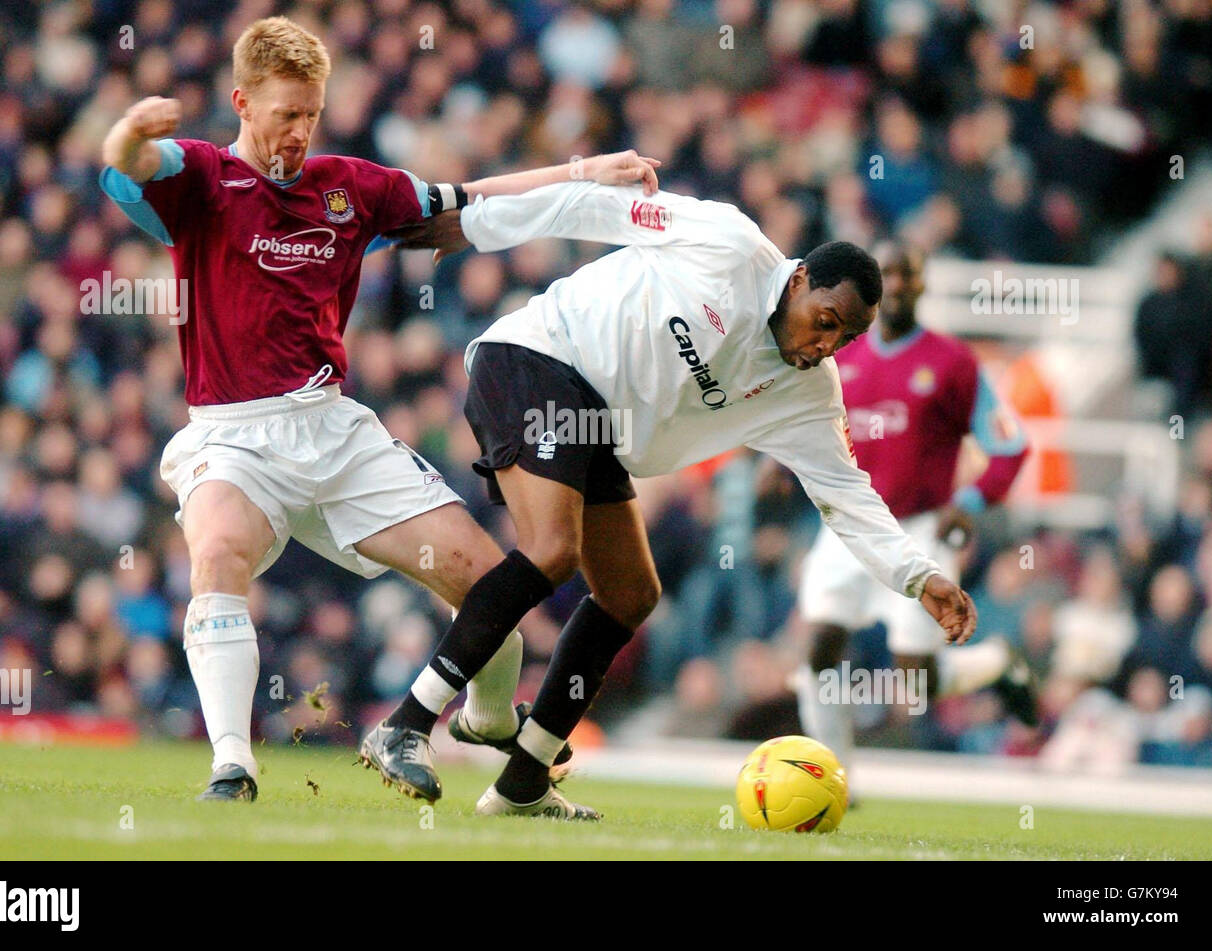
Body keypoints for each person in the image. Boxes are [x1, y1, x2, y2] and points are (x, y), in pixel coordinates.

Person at [98, 16, 662, 802]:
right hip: (233, 438)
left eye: (312, 114)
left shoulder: (352, 188)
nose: (299, 131)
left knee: (488, 581)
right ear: (242, 102)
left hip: (333, 432)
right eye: (285, 112)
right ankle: (233, 763)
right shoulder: (199, 178)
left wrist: (584, 171)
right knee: (219, 550)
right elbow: (128, 164)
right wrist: (127, 130)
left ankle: (488, 719)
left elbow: (475, 200)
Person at [363, 181, 977, 819]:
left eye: (844, 339)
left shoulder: (807, 395)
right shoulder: (728, 243)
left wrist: (918, 576)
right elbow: (592, 203)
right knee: (552, 551)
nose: (826, 345)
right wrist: (480, 226)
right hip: (539, 355)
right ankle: (406, 723)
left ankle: (522, 784)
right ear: (796, 281)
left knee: (631, 593)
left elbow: (848, 496)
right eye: (826, 321)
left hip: (598, 429)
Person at [790, 240, 1034, 777]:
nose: (898, 284)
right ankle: (832, 781)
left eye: (908, 274)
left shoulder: (952, 363)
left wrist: (969, 502)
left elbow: (1011, 447)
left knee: (913, 679)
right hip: (848, 525)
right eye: (888, 274)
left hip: (921, 527)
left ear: (923, 283)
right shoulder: (843, 354)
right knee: (819, 651)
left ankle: (997, 662)